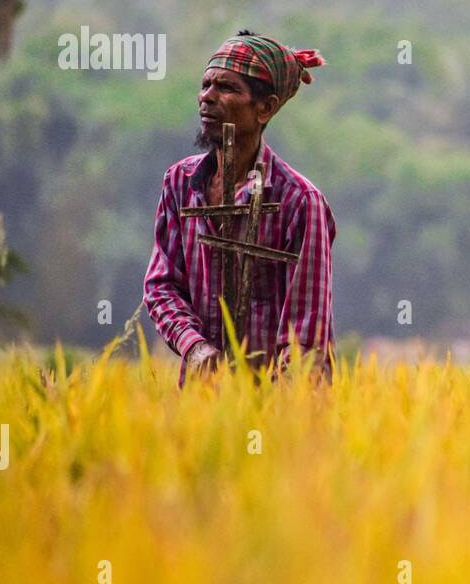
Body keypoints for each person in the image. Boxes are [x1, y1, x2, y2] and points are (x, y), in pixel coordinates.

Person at [143, 30, 336, 385]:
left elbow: (307, 332)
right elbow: (162, 286)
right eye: (205, 85)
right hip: (200, 410)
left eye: (227, 88)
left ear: (265, 107)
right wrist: (195, 347)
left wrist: (282, 412)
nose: (207, 98)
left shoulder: (299, 202)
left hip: (278, 410)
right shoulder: (180, 183)